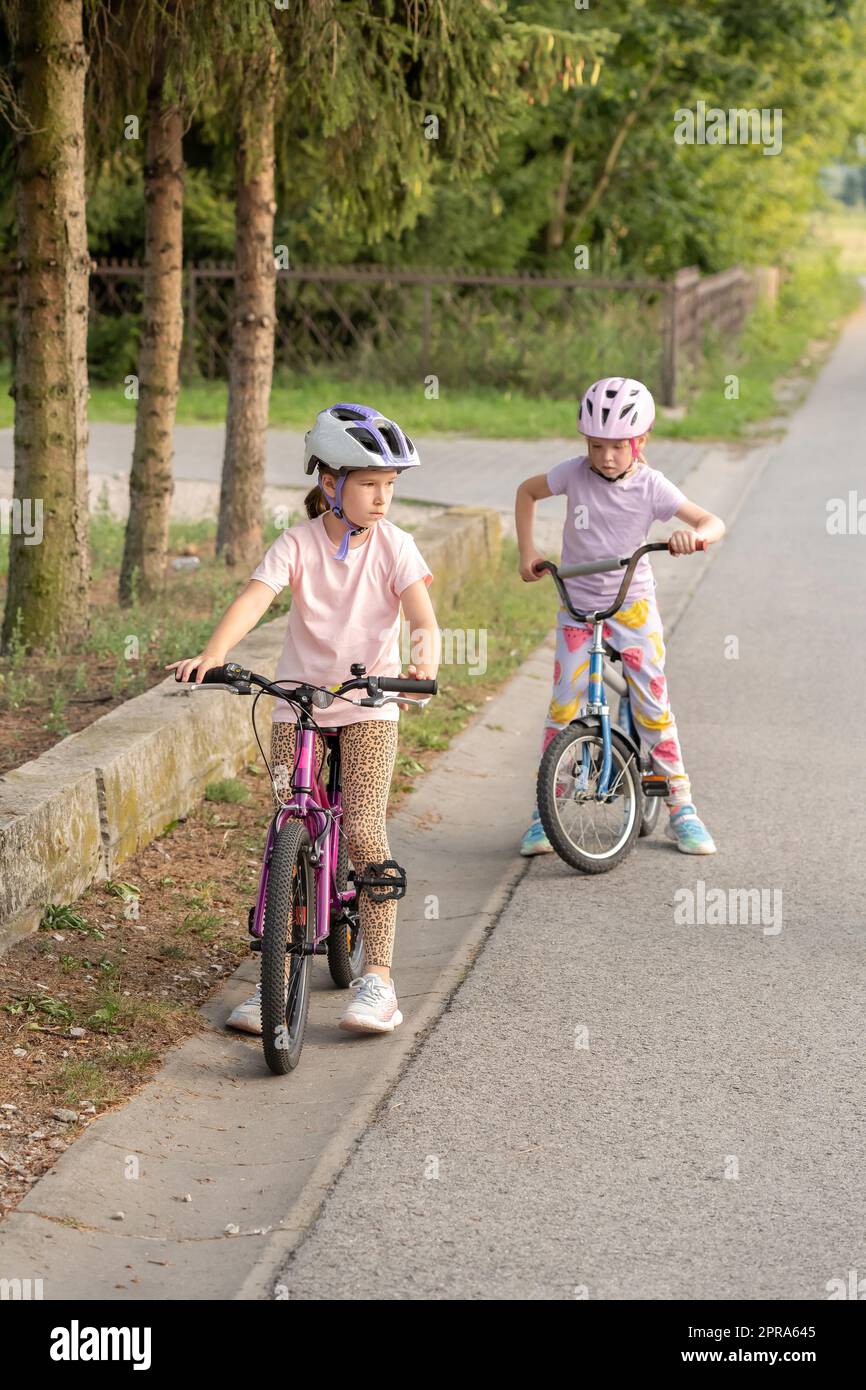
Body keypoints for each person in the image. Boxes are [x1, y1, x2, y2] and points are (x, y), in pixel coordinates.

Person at [167, 403, 440, 1035]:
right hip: (300, 705)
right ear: (330, 483)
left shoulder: (396, 547)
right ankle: (276, 978)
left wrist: (420, 676)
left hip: (371, 708)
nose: (382, 498)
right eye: (369, 484)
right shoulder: (298, 543)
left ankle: (379, 981)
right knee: (288, 831)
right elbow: (254, 597)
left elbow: (422, 618)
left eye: (390, 486)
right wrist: (216, 654)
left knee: (365, 833)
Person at [515, 376, 725, 857]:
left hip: (631, 606)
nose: (606, 456)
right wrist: (527, 551)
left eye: (617, 446)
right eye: (596, 445)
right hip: (576, 605)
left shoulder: (652, 486)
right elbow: (526, 493)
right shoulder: (572, 474)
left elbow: (711, 521)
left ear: (640, 441)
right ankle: (544, 812)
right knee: (562, 708)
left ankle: (681, 808)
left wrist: (692, 537)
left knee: (652, 707)